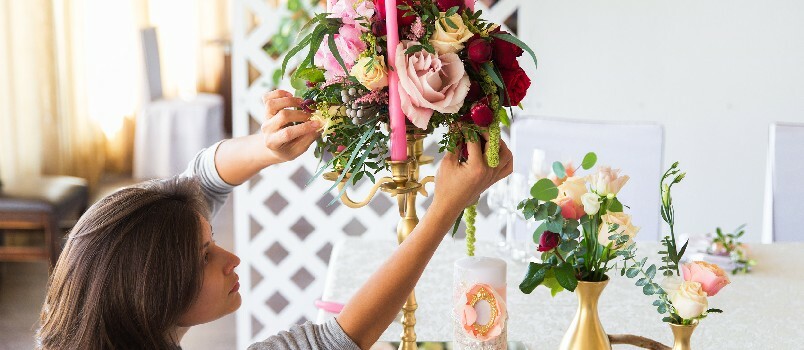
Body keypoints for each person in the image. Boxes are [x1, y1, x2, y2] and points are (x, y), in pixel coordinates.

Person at [36, 90, 513, 350]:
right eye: (206, 255)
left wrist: (266, 147)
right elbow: (334, 342)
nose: (231, 257)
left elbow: (201, 178)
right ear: (153, 290)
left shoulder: (96, 298)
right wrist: (446, 207)